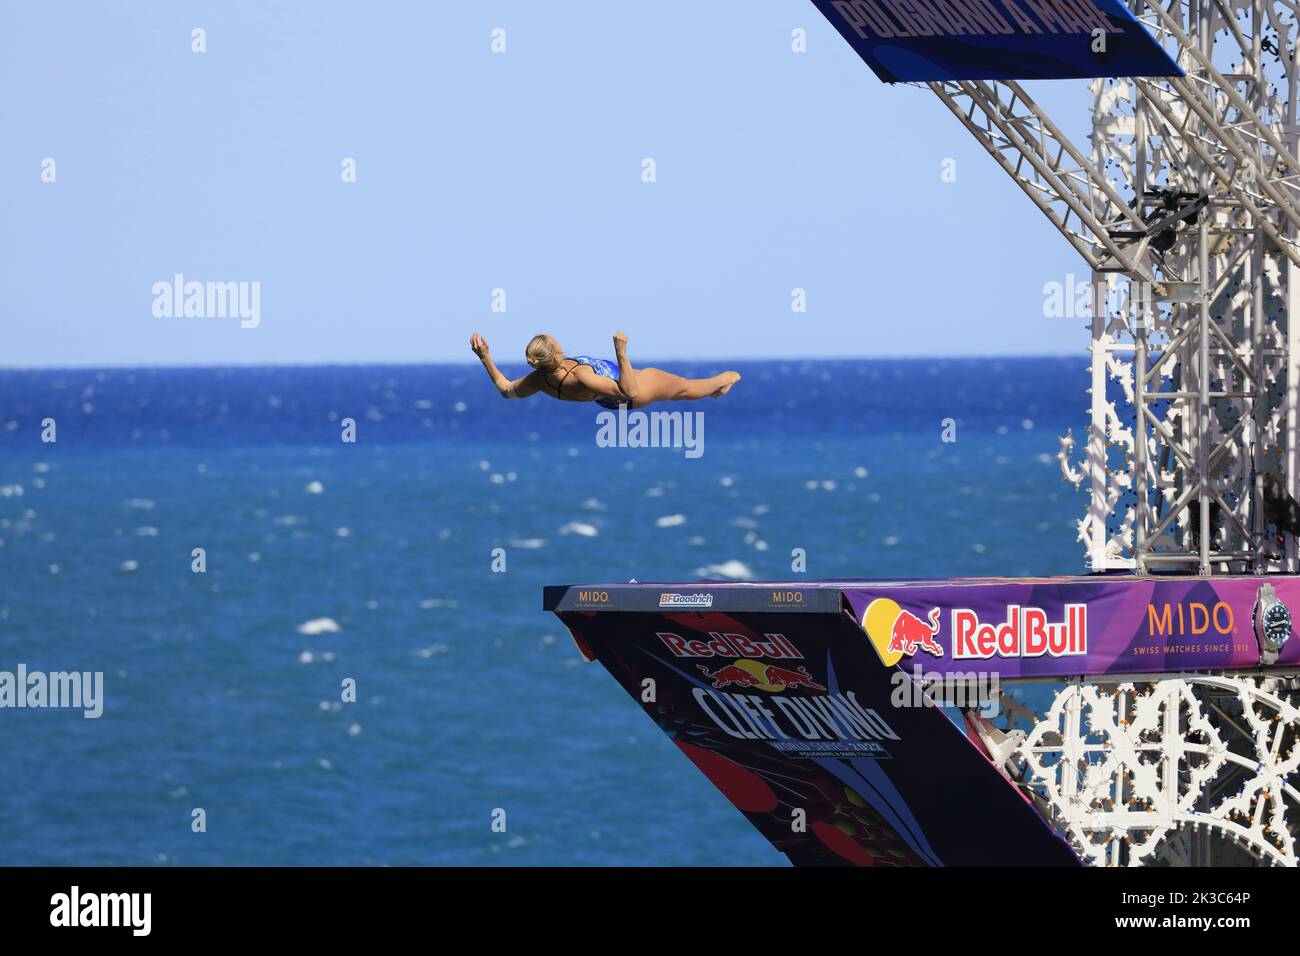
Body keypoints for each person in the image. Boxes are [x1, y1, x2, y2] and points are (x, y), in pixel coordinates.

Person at [470, 331, 740, 409]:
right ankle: (726, 379)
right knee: (684, 388)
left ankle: (717, 387)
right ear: (556, 351)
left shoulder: (540, 379)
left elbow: (507, 390)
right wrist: (621, 352)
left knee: (681, 390)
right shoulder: (580, 376)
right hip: (634, 391)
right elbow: (630, 391)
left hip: (610, 400)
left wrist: (485, 357)